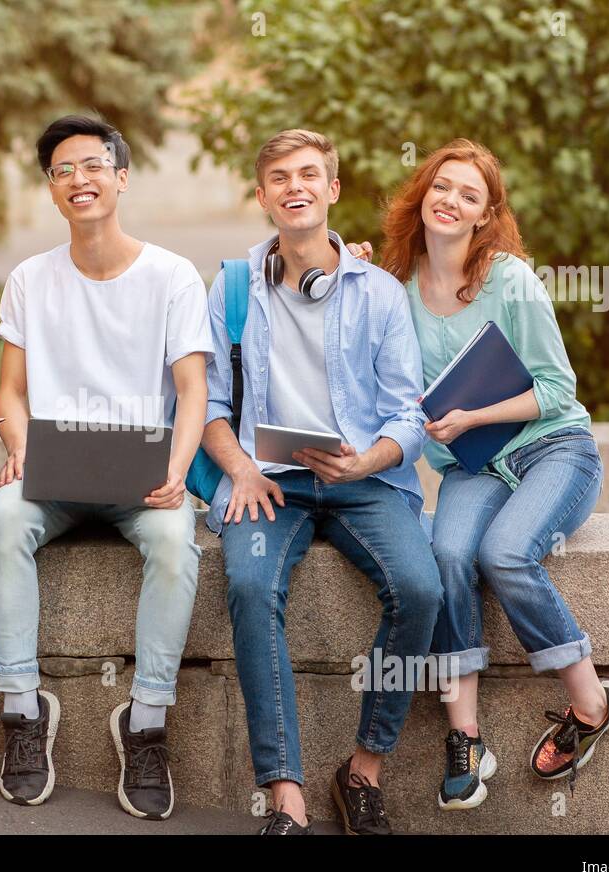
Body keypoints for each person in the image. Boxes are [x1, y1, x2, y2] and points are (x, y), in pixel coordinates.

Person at [202, 129, 440, 835]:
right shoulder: (235, 286)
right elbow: (213, 408)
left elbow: (409, 415)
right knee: (248, 585)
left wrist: (365, 462)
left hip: (364, 478)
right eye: (279, 177)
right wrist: (241, 466)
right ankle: (285, 796)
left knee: (421, 588)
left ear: (332, 189)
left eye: (309, 174)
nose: (294, 186)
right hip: (267, 478)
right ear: (263, 195)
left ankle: (362, 769)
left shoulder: (380, 294)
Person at [378, 138, 609, 810]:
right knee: (447, 552)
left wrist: (468, 412)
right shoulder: (397, 294)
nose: (451, 201)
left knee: (505, 552)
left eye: (469, 195)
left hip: (554, 450)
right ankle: (466, 738)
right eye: (443, 186)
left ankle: (592, 703)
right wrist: (433, 427)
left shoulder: (511, 278)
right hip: (474, 463)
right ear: (423, 191)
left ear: (486, 215)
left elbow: (557, 387)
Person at [0, 114, 212, 820]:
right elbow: (10, 393)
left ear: (120, 177)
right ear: (51, 190)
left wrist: (176, 471)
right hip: (53, 470)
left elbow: (193, 389)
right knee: (2, 520)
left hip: (142, 476)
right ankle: (23, 711)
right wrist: (18, 449)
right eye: (62, 170)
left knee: (177, 540)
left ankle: (144, 722)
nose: (78, 179)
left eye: (92, 165)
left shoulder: (172, 276)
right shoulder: (29, 278)